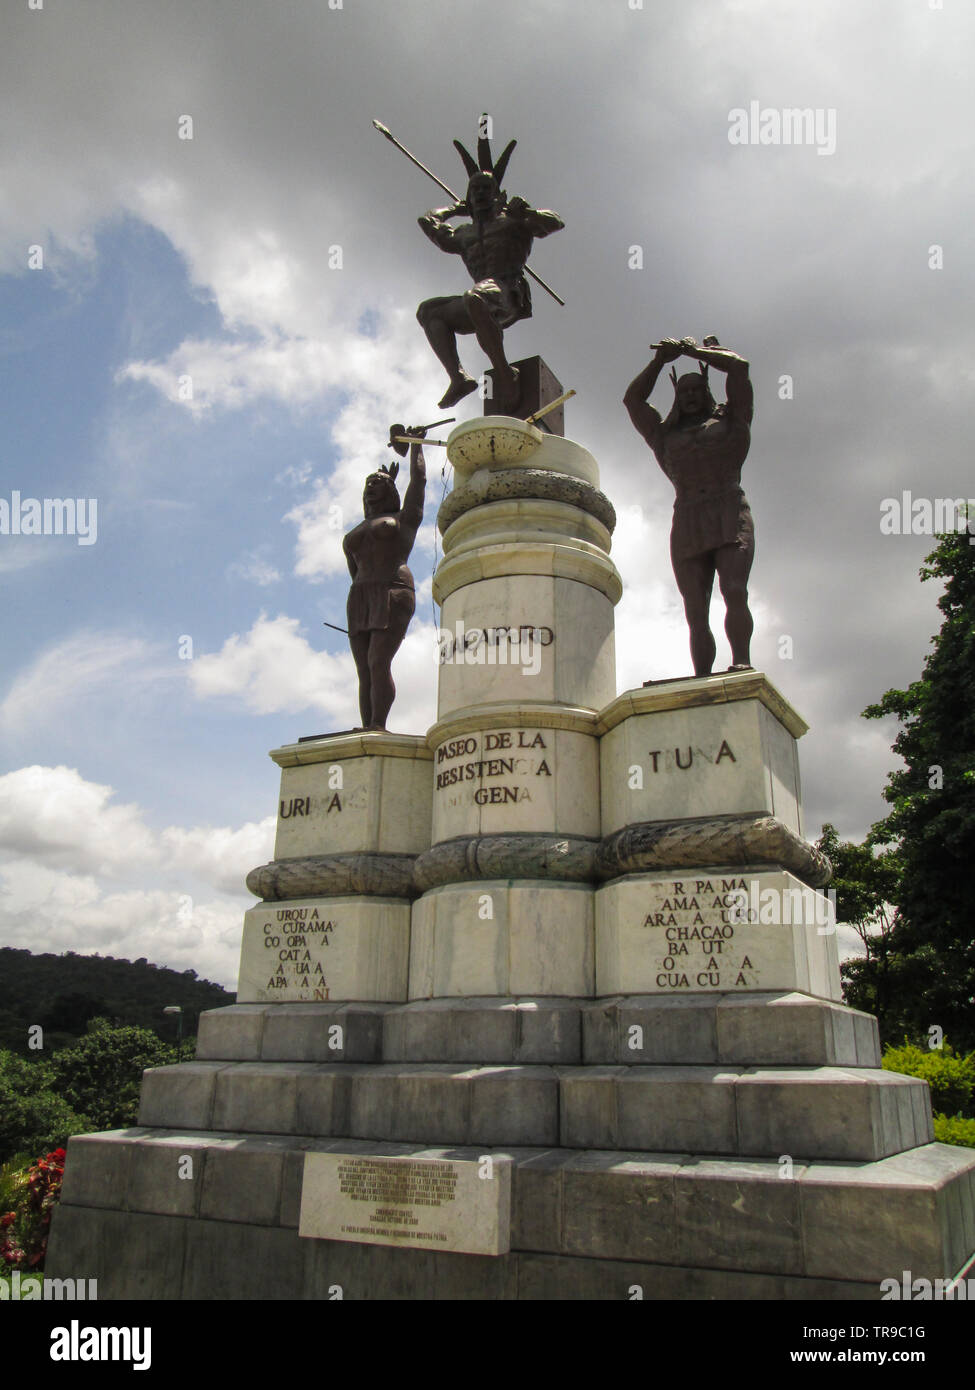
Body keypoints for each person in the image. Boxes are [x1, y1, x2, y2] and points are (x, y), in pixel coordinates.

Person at [623, 336, 755, 677]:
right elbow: (632, 399)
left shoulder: (732, 420)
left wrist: (697, 352)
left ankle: (741, 660)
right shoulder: (664, 435)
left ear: (707, 390)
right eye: (684, 392)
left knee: (734, 590)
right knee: (695, 609)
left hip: (728, 510)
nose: (691, 396)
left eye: (697, 389)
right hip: (688, 517)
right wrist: (659, 362)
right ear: (676, 397)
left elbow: (739, 367)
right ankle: (702, 678)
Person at [416, 144, 563, 410]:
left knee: (476, 297)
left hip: (508, 291)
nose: (481, 194)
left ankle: (505, 374)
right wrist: (454, 209)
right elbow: (428, 223)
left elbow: (554, 222)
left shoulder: (514, 222)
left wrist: (526, 212)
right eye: (475, 190)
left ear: (499, 196)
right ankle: (458, 377)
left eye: (487, 189)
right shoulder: (464, 234)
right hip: (480, 298)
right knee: (429, 310)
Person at [342, 428, 426, 729]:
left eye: (379, 482)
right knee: (364, 668)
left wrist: (417, 446)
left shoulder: (404, 518)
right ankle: (367, 727)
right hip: (361, 595)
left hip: (393, 589)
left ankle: (379, 724)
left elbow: (418, 484)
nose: (371, 486)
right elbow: (354, 570)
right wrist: (363, 589)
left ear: (391, 491)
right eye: (368, 483)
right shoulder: (355, 531)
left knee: (379, 661)